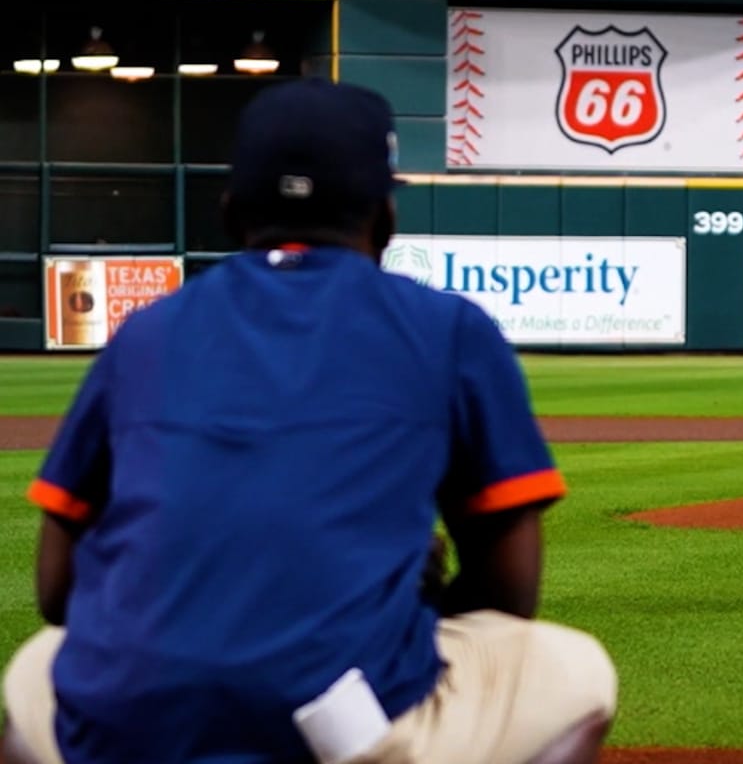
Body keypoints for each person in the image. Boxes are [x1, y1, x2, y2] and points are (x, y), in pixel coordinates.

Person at [1, 77, 618, 763]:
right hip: (338, 728)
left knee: (37, 670)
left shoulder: (145, 333)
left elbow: (57, 592)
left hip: (128, 725)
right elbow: (511, 593)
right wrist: (413, 602)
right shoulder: (448, 329)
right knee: (575, 669)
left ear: (232, 210)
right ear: (383, 216)